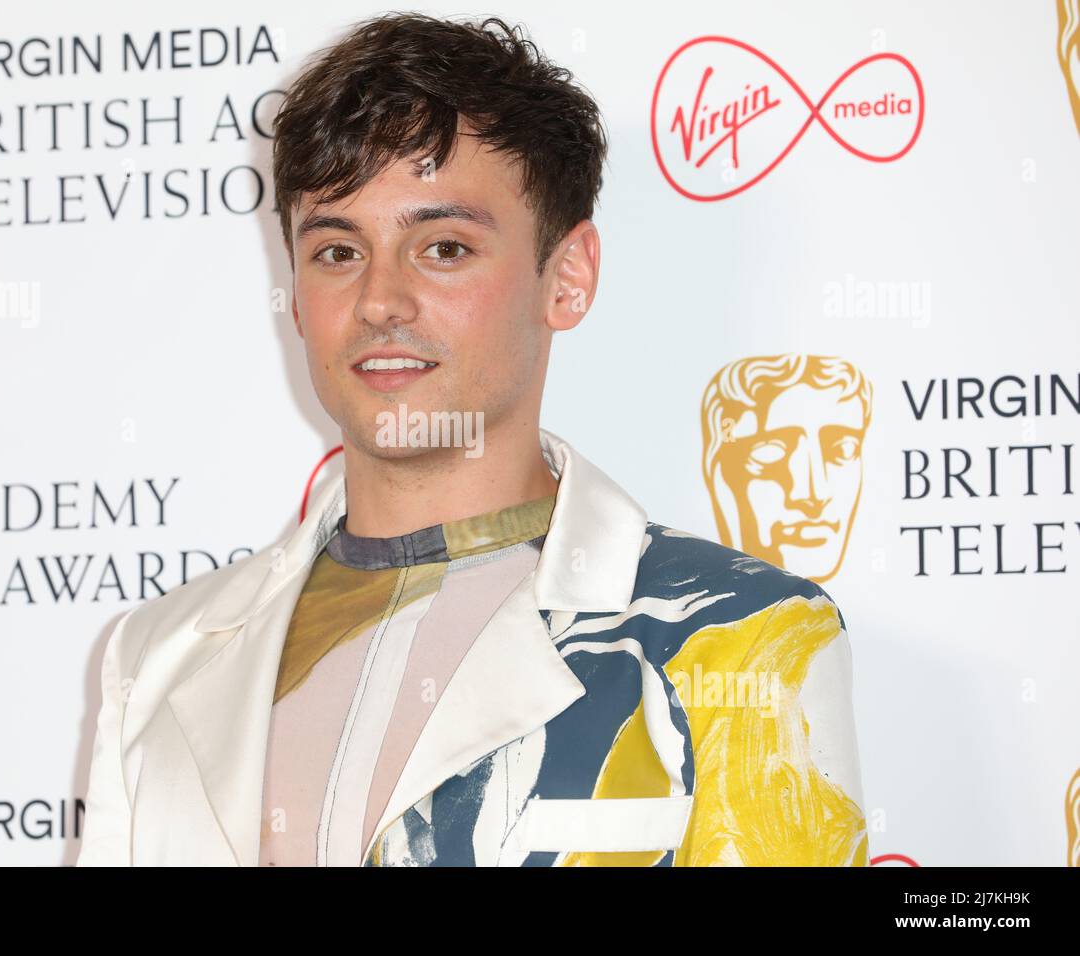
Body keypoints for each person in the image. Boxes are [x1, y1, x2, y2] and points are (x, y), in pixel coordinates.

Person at [77, 12, 869, 867]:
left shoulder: (740, 633)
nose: (380, 300)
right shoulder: (159, 656)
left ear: (567, 278)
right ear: (296, 298)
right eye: (339, 251)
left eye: (443, 247)